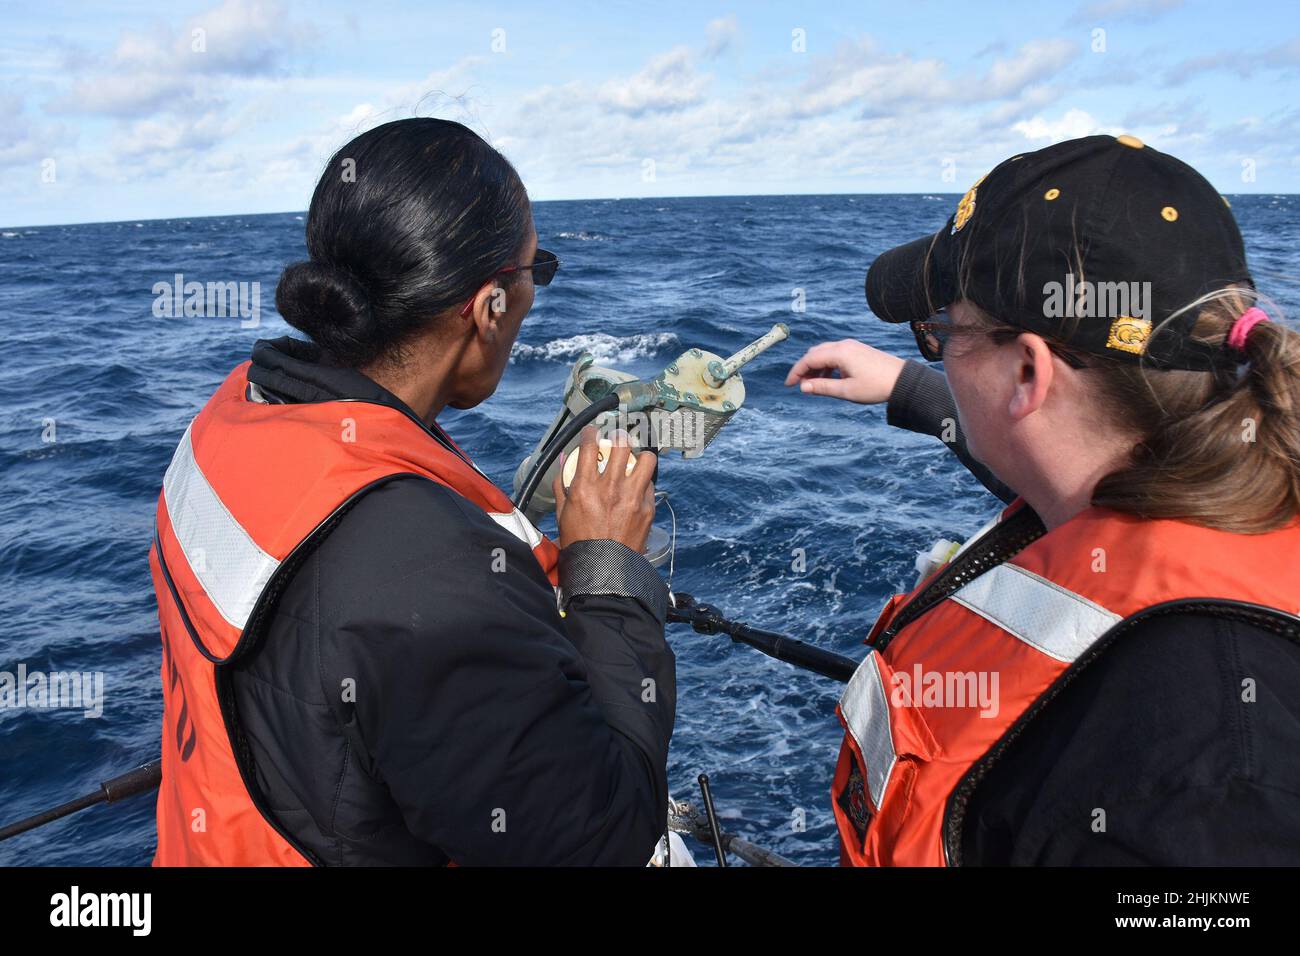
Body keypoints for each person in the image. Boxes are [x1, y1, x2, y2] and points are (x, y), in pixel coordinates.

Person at [148, 118, 674, 866]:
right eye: (534, 272)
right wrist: (608, 572)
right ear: (490, 305)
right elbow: (602, 839)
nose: (531, 299)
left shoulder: (231, 417)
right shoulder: (430, 577)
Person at [787, 134, 1300, 865]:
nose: (935, 350)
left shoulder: (1210, 786)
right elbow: (1073, 478)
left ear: (1029, 372)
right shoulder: (1220, 481)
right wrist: (909, 385)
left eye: (942, 334)